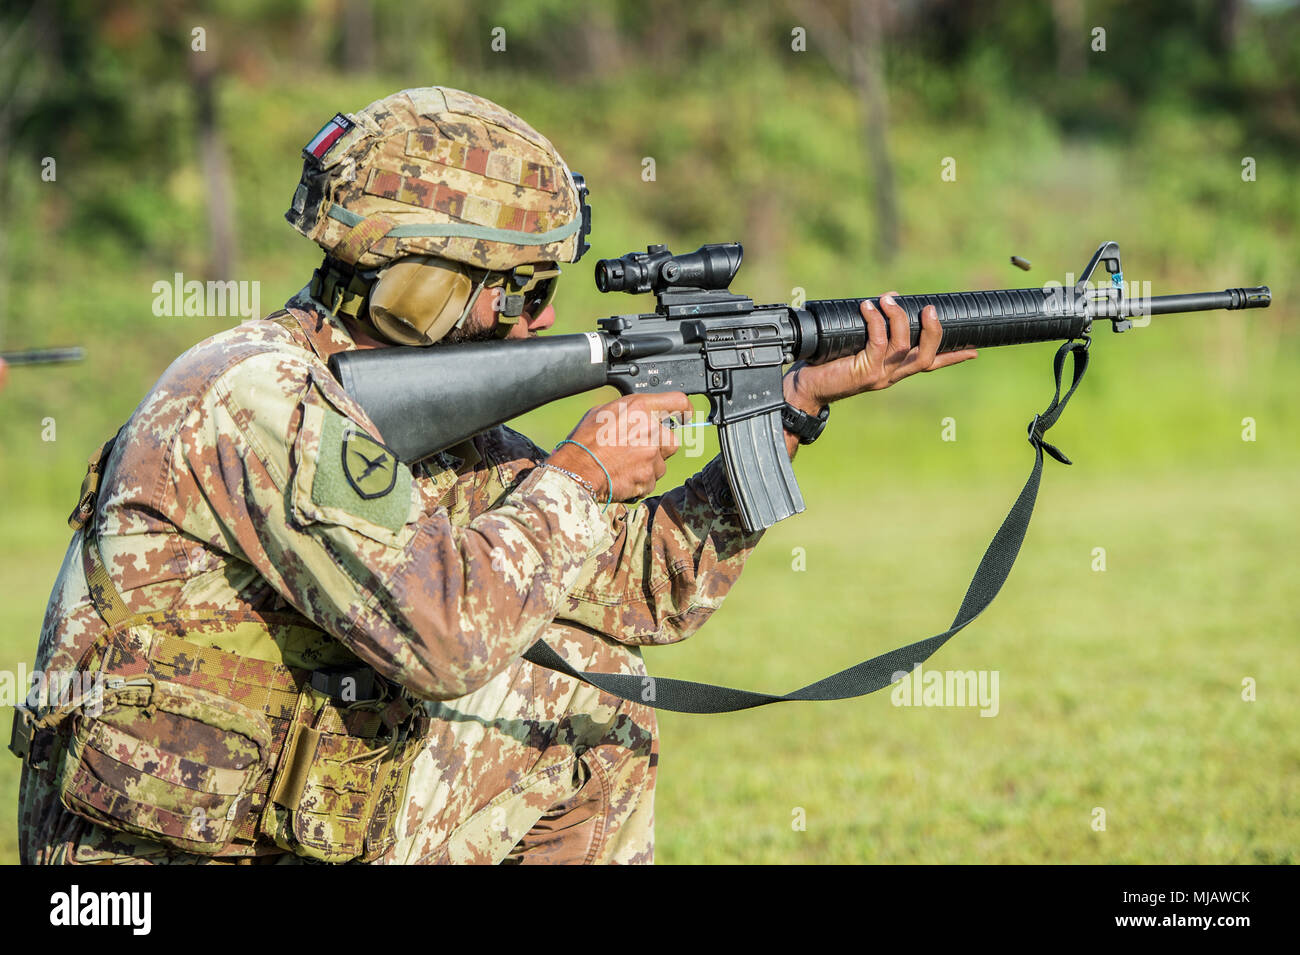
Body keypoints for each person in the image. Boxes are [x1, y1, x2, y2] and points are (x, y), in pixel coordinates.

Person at [13, 86, 974, 865]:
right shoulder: (257, 395)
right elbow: (445, 636)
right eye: (525, 291)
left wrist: (795, 407)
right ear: (427, 285)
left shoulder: (397, 410)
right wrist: (585, 473)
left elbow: (639, 595)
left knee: (599, 693)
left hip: (279, 809)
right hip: (142, 862)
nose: (535, 323)